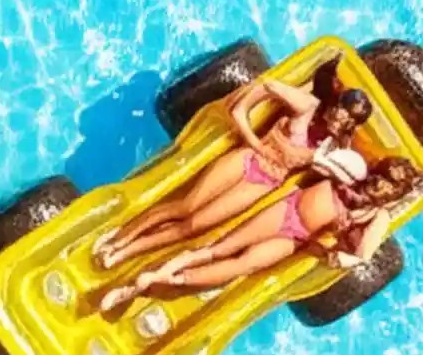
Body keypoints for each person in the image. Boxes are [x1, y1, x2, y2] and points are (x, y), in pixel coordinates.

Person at [93, 56, 373, 269]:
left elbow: (351, 182)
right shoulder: (308, 107)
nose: (341, 121)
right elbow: (267, 86)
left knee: (192, 227)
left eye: (349, 121)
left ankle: (126, 252)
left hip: (264, 184)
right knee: (185, 207)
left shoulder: (337, 147)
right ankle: (120, 237)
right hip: (248, 159)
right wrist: (248, 131)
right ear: (336, 104)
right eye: (342, 112)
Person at [99, 156, 420, 311]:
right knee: (221, 248)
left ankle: (166, 279)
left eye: (389, 186)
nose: (381, 184)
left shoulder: (374, 215)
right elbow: (323, 157)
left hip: (296, 238)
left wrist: (338, 256)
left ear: (393, 195)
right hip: (286, 210)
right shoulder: (353, 174)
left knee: (242, 265)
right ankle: (139, 283)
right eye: (383, 177)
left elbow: (362, 254)